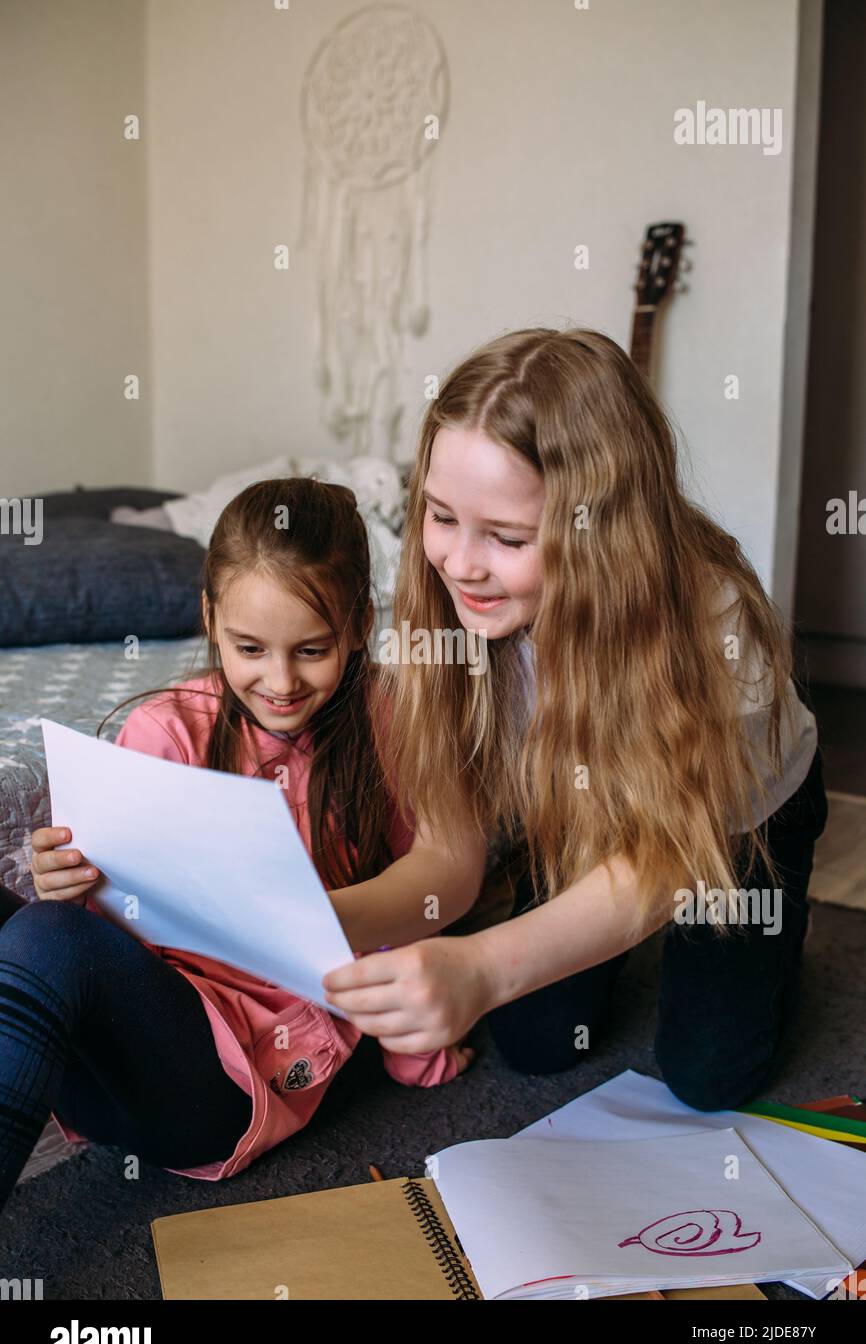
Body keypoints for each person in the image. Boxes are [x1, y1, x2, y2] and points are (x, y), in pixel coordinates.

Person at [321, 327, 829, 1111]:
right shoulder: (439, 619)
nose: (459, 563)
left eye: (509, 537)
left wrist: (485, 967)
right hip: (584, 809)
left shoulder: (715, 625)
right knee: (533, 1044)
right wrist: (320, 922)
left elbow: (660, 866)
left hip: (735, 826)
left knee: (710, 1079)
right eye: (441, 516)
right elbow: (451, 867)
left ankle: (776, 937)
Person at [0, 477, 477, 1213]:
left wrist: (405, 1027)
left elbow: (429, 888)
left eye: (312, 650)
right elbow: (105, 932)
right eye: (248, 648)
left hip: (231, 1079)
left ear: (359, 626)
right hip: (120, 1052)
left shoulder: (391, 721)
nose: (280, 681)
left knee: (48, 939)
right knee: (48, 929)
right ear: (209, 620)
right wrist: (66, 879)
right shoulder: (163, 729)